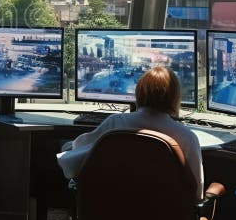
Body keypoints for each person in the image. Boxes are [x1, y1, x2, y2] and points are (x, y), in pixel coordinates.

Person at [57, 66, 204, 200]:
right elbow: (197, 192)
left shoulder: (116, 122)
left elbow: (74, 158)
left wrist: (68, 146)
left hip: (115, 216)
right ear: (174, 98)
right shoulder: (186, 136)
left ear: (139, 93)